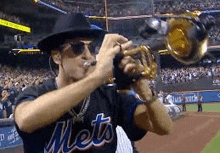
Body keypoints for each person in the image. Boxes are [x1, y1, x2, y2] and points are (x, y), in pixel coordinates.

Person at [14, 13, 173, 153]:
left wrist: (142, 88)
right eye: (77, 48)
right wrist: (97, 76)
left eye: (91, 47)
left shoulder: (109, 95)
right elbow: (25, 120)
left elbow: (164, 127)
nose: (88, 56)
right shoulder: (36, 93)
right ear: (57, 57)